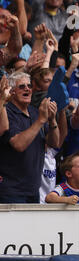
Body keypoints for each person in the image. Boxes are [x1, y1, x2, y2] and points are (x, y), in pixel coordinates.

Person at [0, 72, 59, 203]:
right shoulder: (6, 111)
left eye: (29, 86)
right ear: (12, 92)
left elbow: (54, 143)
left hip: (34, 190)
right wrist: (41, 120)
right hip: (11, 191)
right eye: (21, 86)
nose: (27, 89)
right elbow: (18, 144)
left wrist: (52, 120)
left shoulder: (35, 111)